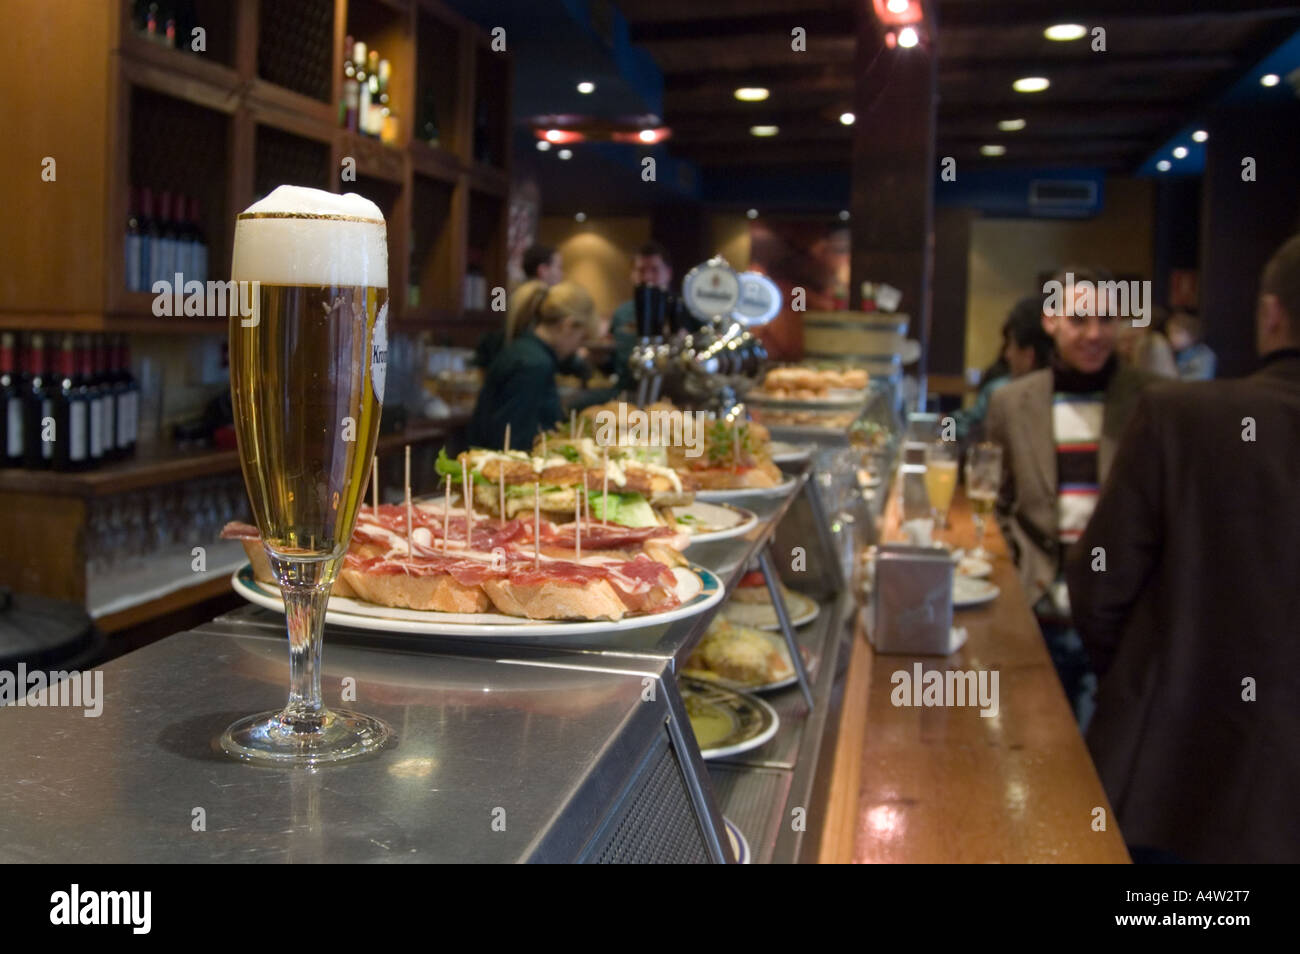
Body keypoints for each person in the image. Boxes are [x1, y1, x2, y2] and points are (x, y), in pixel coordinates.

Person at [1065, 235, 1300, 864]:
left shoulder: (1182, 415)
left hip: (1177, 780)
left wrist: (1146, 680)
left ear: (1271, 312)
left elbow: (1098, 580)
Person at [985, 267, 1154, 730]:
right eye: (1080, 321)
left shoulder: (1154, 401)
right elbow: (996, 503)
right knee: (1037, 746)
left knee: (1114, 761)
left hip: (1123, 618)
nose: (1095, 334)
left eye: (1106, 320)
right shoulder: (1011, 403)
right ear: (1051, 322)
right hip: (1039, 612)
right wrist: (1015, 574)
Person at [467, 280, 597, 450]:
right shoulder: (533, 365)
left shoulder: (529, 353)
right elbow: (512, 439)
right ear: (568, 325)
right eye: (582, 338)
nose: (578, 348)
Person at [953, 296, 1052, 441]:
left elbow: (969, 435)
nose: (1007, 355)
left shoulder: (1001, 394)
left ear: (1029, 355)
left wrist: (943, 425)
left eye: (1010, 344)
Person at [609, 241, 672, 389]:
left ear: (668, 273)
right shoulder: (622, 313)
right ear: (632, 274)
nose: (647, 278)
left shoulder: (681, 312)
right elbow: (612, 361)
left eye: (655, 270)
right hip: (626, 389)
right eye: (641, 271)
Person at [1116, 306, 1177, 378]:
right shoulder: (1125, 328)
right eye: (1124, 341)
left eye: (1132, 340)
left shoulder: (1154, 343)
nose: (1126, 346)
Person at [1167, 308, 1217, 380]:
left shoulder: (1205, 355)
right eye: (1169, 332)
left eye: (1177, 332)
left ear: (1192, 334)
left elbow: (1199, 382)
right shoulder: (1174, 353)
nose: (1171, 337)